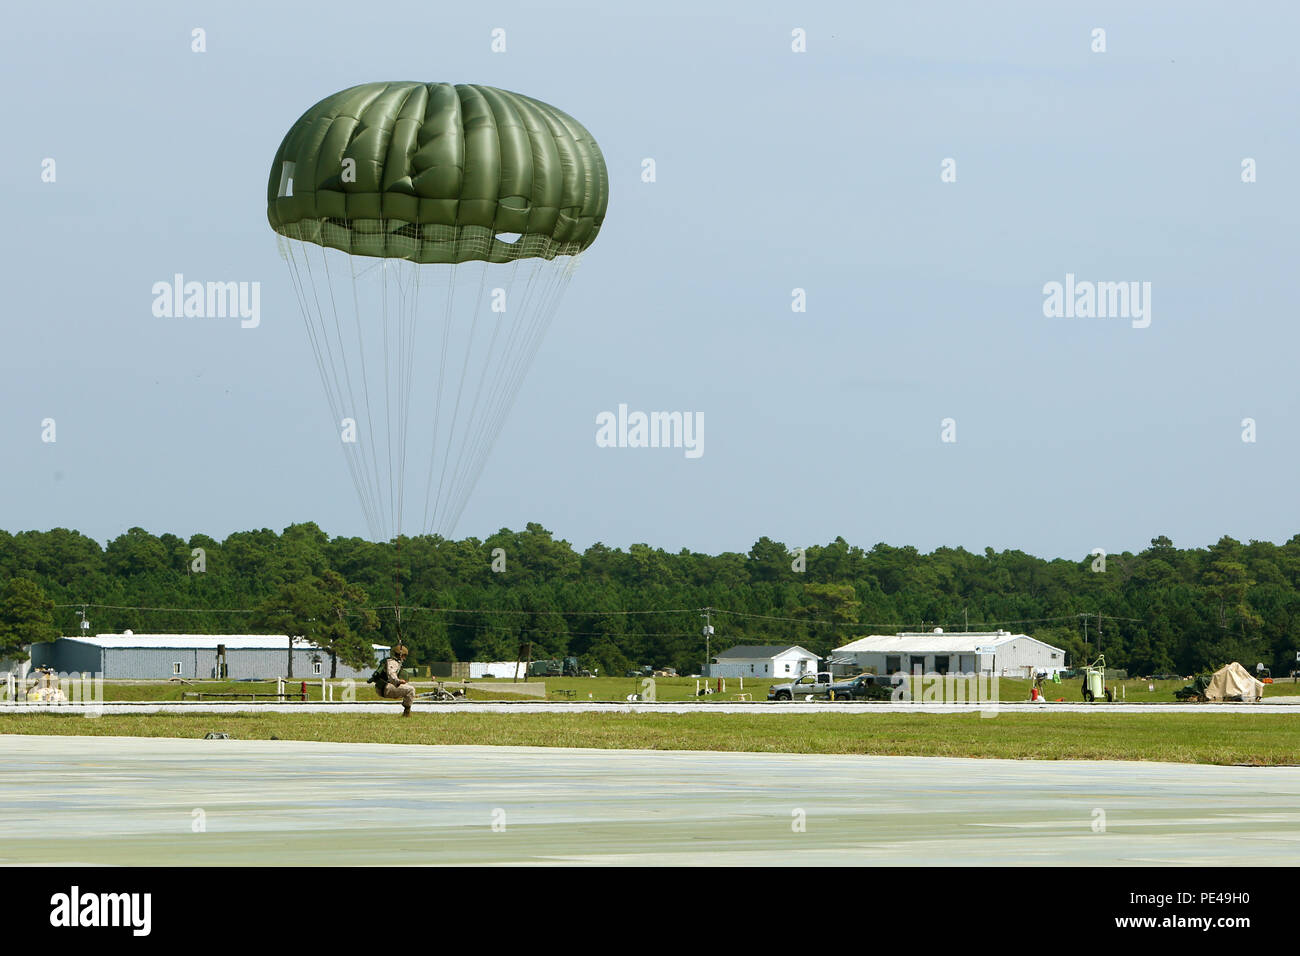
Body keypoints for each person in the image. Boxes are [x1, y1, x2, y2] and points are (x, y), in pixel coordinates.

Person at [380, 644, 415, 716]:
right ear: (401, 655)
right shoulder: (393, 662)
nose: (404, 658)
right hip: (386, 688)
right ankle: (407, 713)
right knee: (411, 690)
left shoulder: (391, 661)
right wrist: (398, 681)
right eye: (404, 656)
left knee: (407, 687)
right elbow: (391, 674)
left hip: (383, 686)